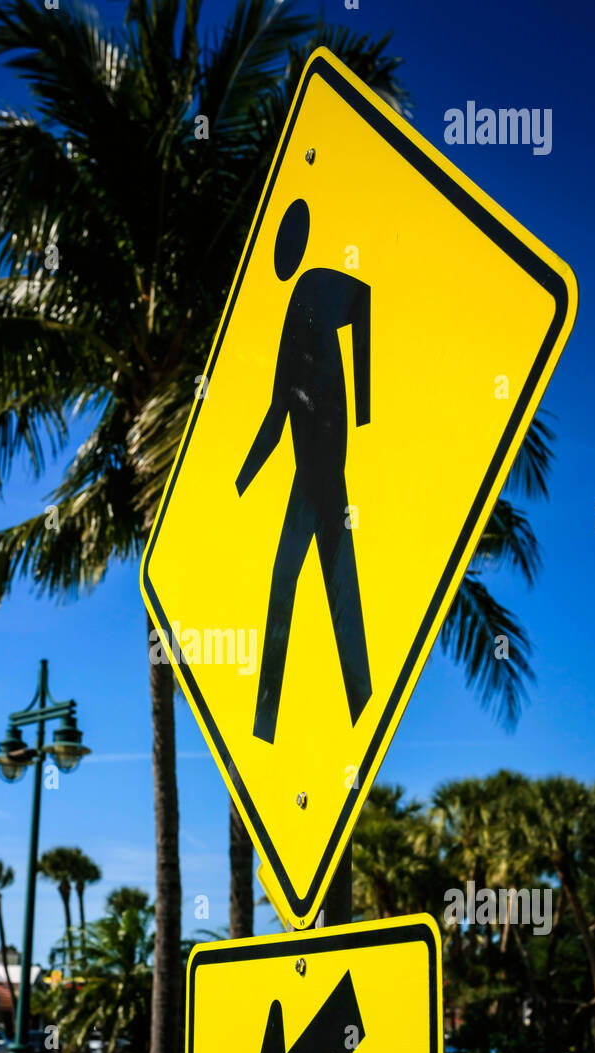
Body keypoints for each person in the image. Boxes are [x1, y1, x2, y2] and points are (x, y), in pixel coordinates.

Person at [236, 197, 373, 744]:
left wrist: (365, 412)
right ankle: (269, 726)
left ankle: (358, 708)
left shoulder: (316, 287)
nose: (282, 258)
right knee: (298, 586)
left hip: (327, 472)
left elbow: (363, 299)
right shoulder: (292, 314)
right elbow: (275, 410)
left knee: (336, 592)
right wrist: (241, 480)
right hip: (305, 476)